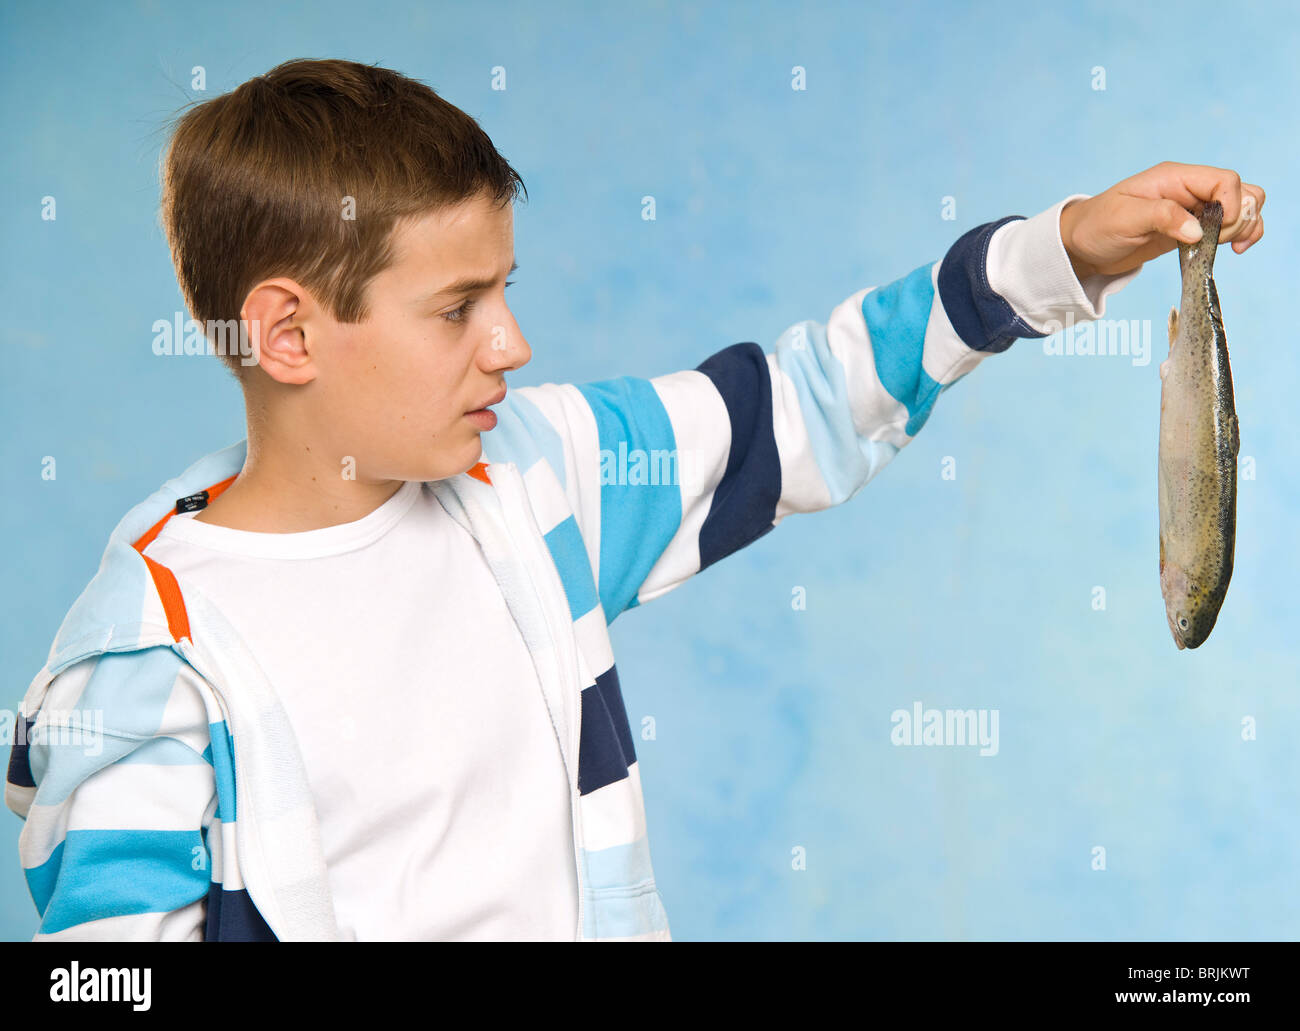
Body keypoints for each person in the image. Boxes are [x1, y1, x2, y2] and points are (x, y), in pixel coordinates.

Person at [3, 58, 1265, 941]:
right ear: (287, 332)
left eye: (502, 289)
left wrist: (1062, 250)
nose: (512, 341)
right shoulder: (139, 679)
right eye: (457, 308)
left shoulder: (535, 481)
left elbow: (799, 403)